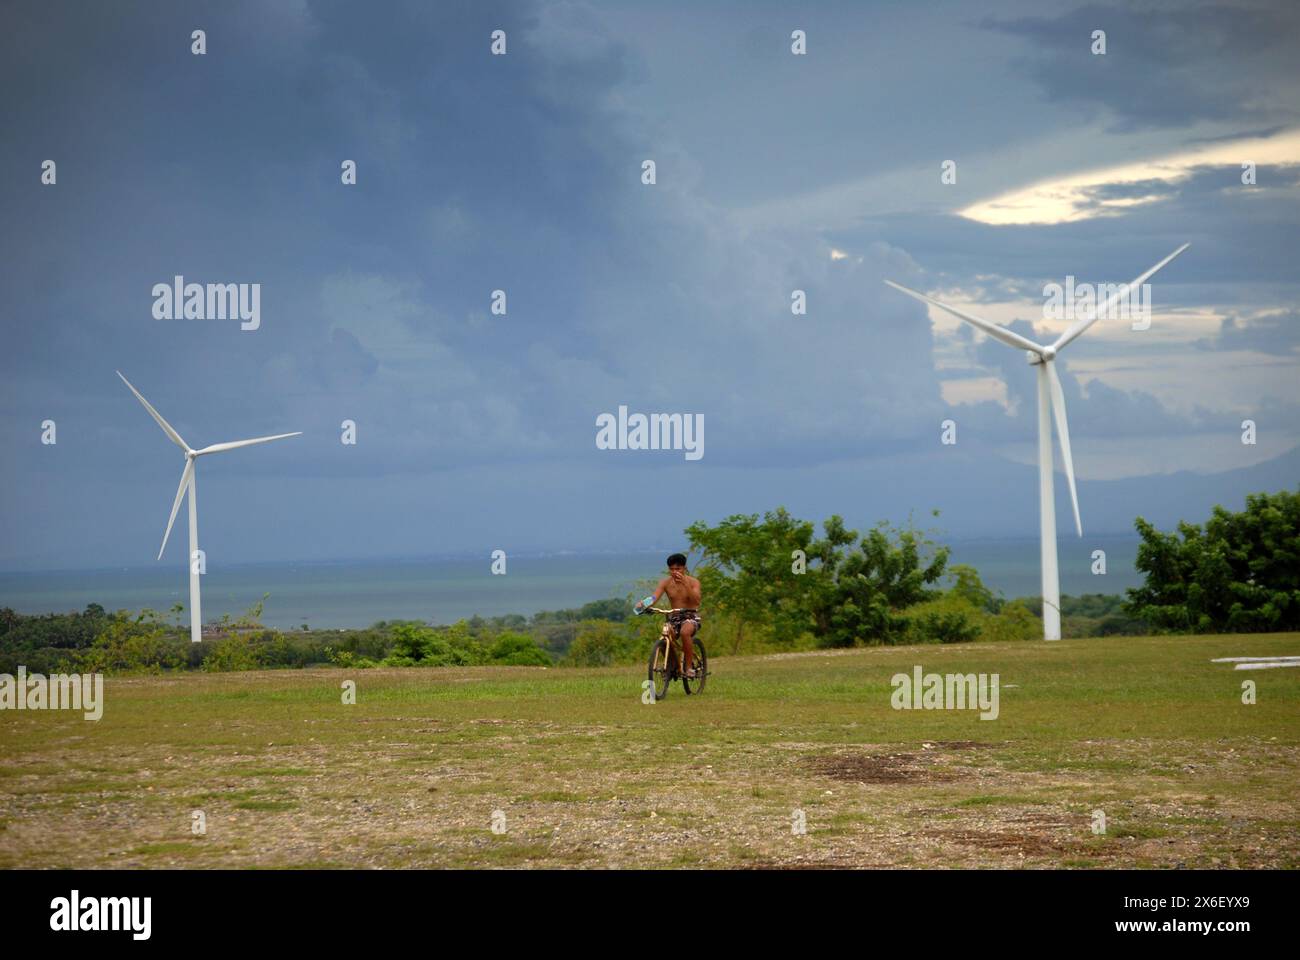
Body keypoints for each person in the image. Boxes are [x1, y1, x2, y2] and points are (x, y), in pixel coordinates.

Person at [636, 553, 702, 678]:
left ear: (684, 568)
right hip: (675, 616)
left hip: (691, 616)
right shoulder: (665, 583)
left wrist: (685, 583)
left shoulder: (694, 582)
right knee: (665, 635)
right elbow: (654, 597)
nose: (674, 572)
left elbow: (696, 601)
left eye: (678, 569)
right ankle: (672, 665)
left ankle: (688, 668)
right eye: (671, 569)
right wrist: (644, 603)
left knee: (685, 632)